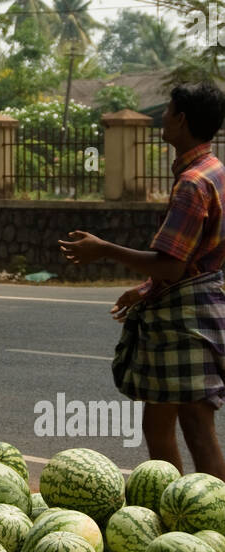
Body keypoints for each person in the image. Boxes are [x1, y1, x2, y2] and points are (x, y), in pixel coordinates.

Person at [59, 82, 225, 479]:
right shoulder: (214, 170)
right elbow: (191, 258)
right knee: (157, 422)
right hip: (196, 307)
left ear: (181, 119)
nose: (162, 117)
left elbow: (171, 265)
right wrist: (146, 290)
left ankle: (212, 523)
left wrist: (103, 249)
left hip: (187, 322)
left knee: (199, 432)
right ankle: (171, 508)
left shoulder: (192, 183)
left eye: (167, 110)